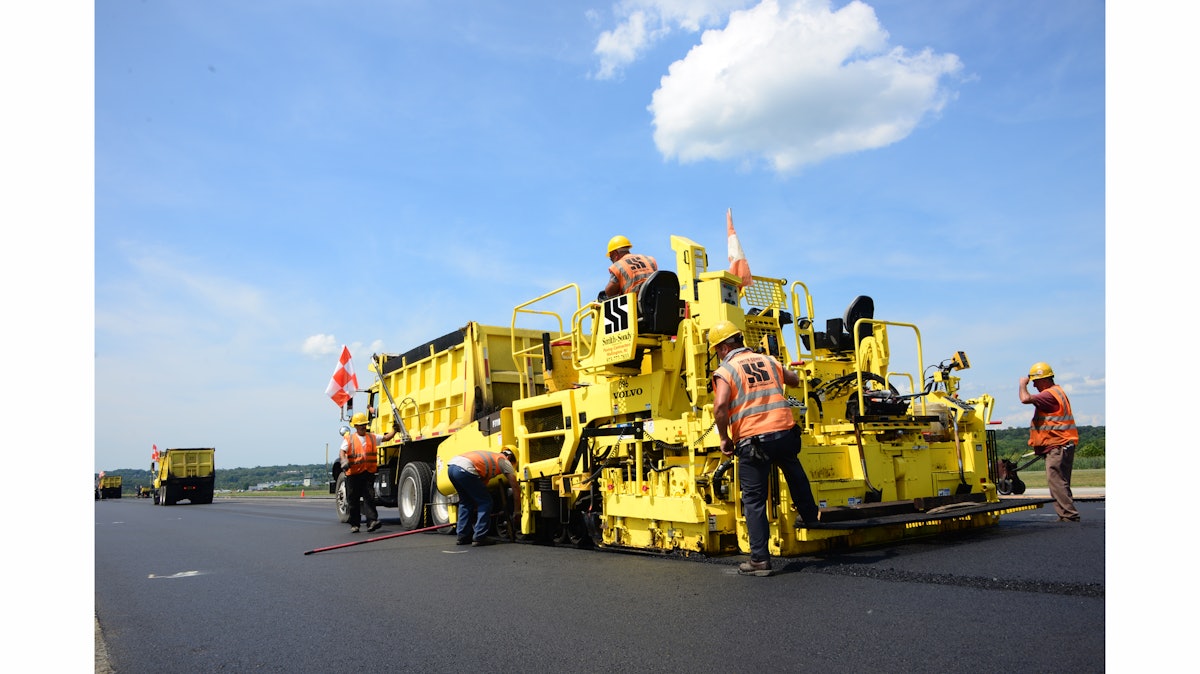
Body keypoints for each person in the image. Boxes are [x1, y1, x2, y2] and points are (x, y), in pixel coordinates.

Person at [709, 320, 820, 577]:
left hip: (753, 441)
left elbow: (720, 406)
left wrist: (724, 438)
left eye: (716, 349)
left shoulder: (726, 370)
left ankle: (759, 560)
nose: (717, 353)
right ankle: (812, 518)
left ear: (725, 347)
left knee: (754, 500)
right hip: (784, 432)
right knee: (794, 472)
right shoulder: (768, 360)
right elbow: (793, 380)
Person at [1019, 362, 1080, 522]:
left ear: (1044, 379)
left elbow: (1025, 399)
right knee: (1061, 481)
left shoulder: (1049, 395)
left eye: (1035, 381)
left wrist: (1021, 384)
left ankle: (1069, 516)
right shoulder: (1058, 392)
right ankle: (1065, 515)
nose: (1033, 384)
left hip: (1058, 446)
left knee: (1056, 481)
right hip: (1063, 444)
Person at [340, 412, 401, 533]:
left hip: (368, 473)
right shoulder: (349, 439)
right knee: (353, 500)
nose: (363, 427)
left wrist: (394, 431)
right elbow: (342, 451)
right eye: (361, 425)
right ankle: (355, 524)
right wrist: (344, 460)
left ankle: (372, 521)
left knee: (369, 497)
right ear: (356, 426)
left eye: (364, 424)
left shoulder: (372, 437)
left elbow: (386, 438)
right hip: (353, 474)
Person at [446, 448, 521, 546]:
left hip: (452, 468)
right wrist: (517, 511)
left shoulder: (490, 459)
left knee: (466, 502)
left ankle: (463, 536)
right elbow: (515, 487)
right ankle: (480, 536)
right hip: (464, 469)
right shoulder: (504, 460)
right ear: (510, 457)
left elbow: (478, 487)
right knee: (486, 502)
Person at [603, 235, 658, 300]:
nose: (612, 261)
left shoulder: (617, 266)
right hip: (656, 301)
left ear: (615, 254)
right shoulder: (650, 260)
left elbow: (610, 292)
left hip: (636, 305)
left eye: (611, 258)